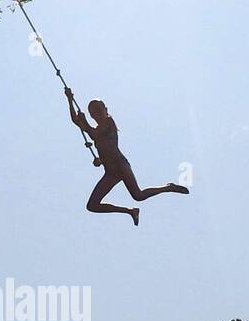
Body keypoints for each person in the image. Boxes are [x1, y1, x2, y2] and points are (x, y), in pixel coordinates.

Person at [66, 88, 188, 224]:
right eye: (93, 113)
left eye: (98, 110)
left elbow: (94, 134)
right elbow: (75, 121)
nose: (96, 114)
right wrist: (69, 100)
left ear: (105, 110)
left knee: (139, 195)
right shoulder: (95, 129)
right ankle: (130, 211)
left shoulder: (108, 122)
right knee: (92, 205)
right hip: (111, 172)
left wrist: (85, 123)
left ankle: (168, 187)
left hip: (121, 166)